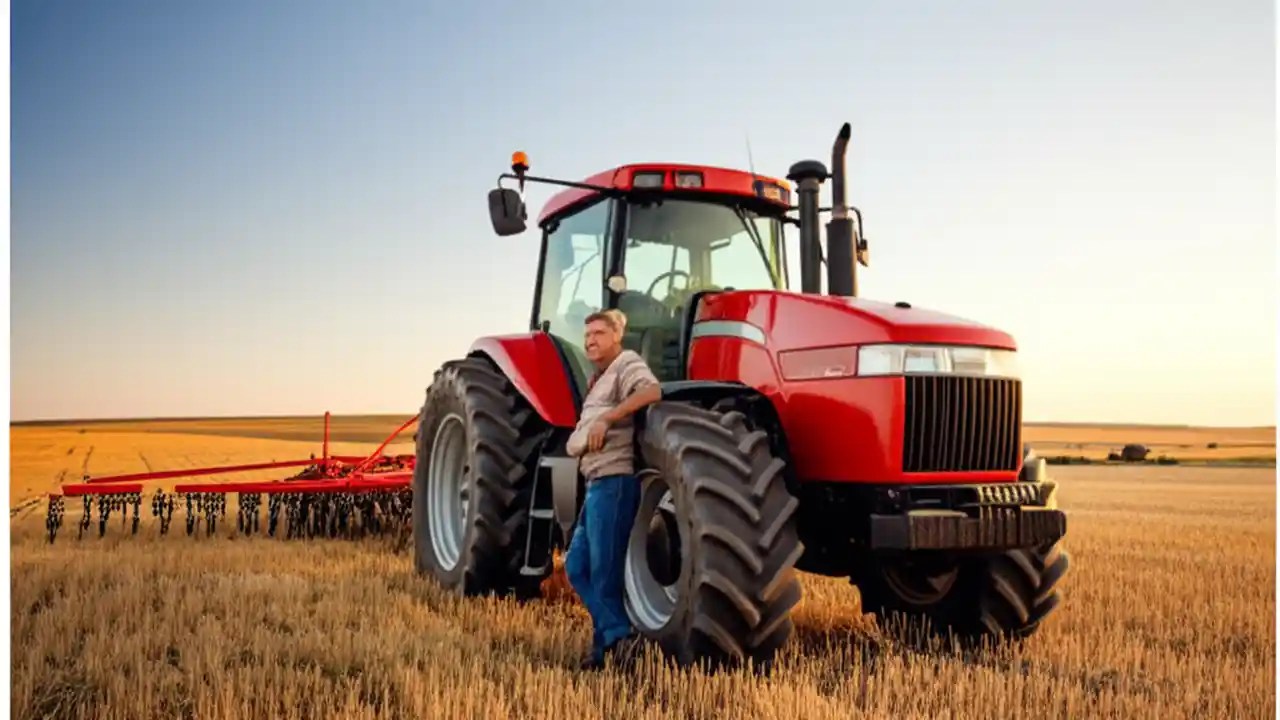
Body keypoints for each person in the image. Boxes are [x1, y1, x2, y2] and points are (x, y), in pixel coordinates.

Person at [564, 308, 662, 670]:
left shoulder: (626, 364)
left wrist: (608, 417)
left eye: (599, 333)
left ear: (617, 336)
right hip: (595, 483)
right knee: (576, 567)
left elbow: (652, 391)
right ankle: (612, 635)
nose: (590, 340)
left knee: (603, 572)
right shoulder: (597, 379)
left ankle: (615, 643)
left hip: (614, 482)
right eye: (587, 334)